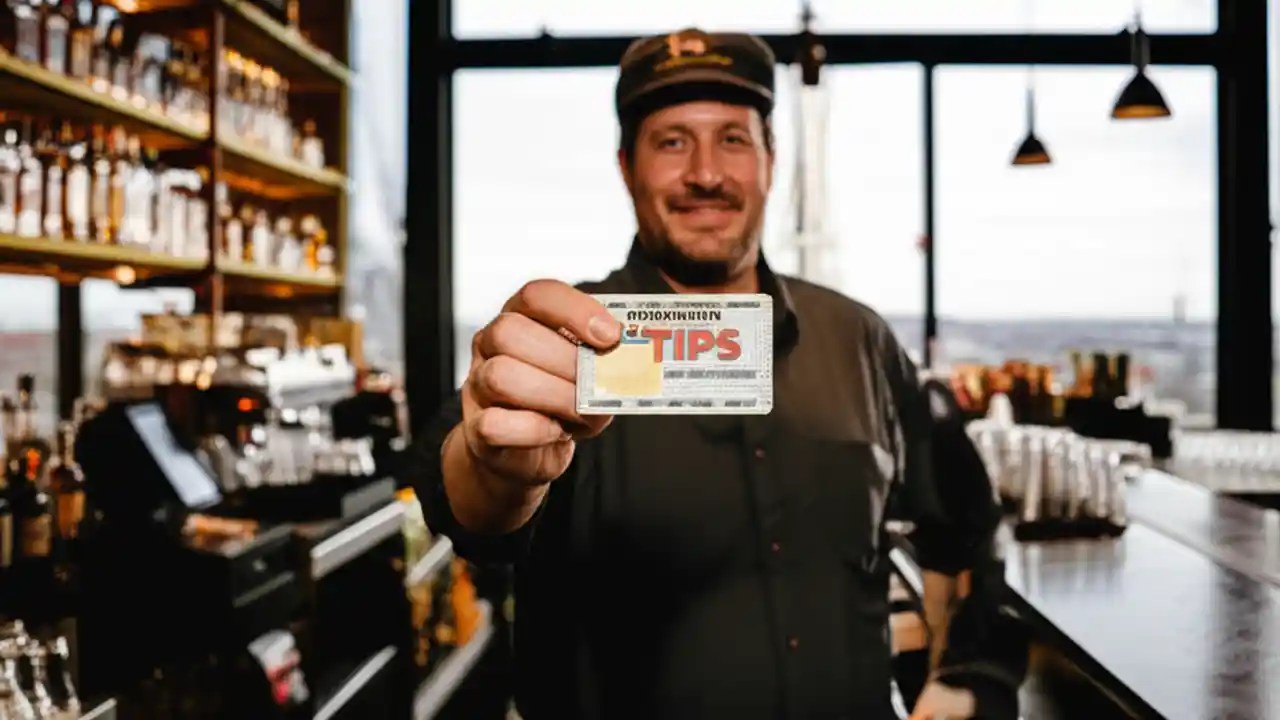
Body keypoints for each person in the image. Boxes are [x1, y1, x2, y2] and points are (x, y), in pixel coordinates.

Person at [411, 28, 1026, 720]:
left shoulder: (859, 339)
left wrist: (971, 671)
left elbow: (967, 520)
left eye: (733, 139)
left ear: (771, 161)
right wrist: (493, 465)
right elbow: (464, 499)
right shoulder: (561, 347)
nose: (706, 173)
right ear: (626, 167)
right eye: (672, 142)